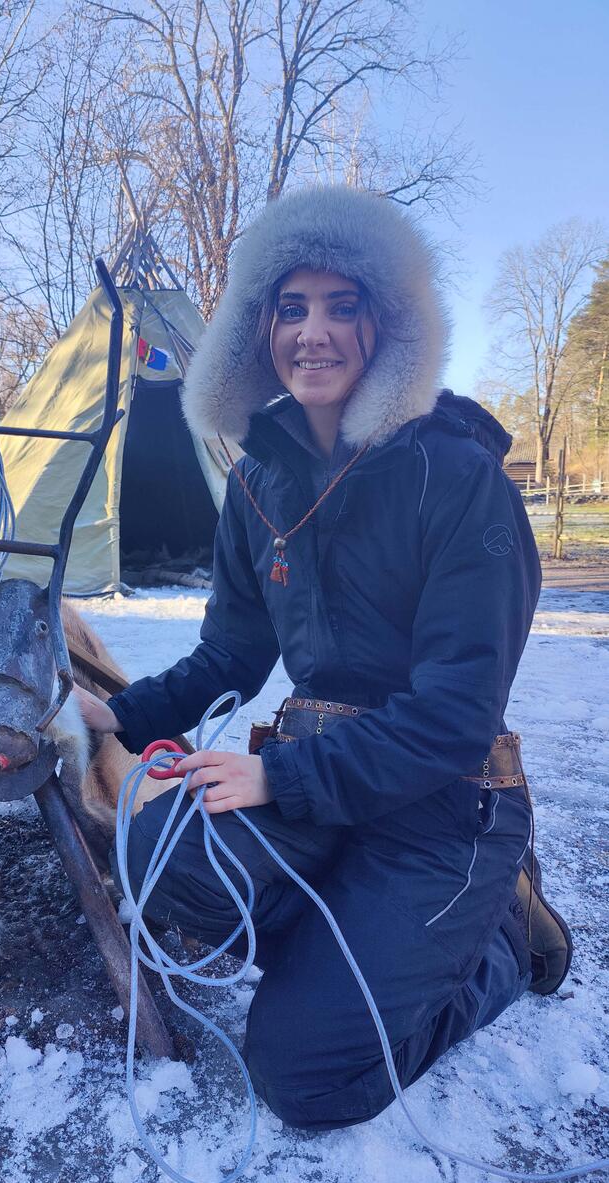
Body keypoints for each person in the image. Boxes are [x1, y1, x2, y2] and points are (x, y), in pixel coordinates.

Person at [74, 186, 572, 1130]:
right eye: (291, 307)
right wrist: (123, 715)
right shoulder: (258, 483)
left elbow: (455, 713)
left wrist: (278, 779)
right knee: (161, 857)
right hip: (316, 780)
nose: (315, 332)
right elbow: (233, 648)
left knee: (305, 1076)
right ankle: (361, 943)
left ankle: (501, 932)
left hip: (444, 802)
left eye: (344, 306)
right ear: (258, 327)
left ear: (391, 326)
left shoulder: (457, 478)